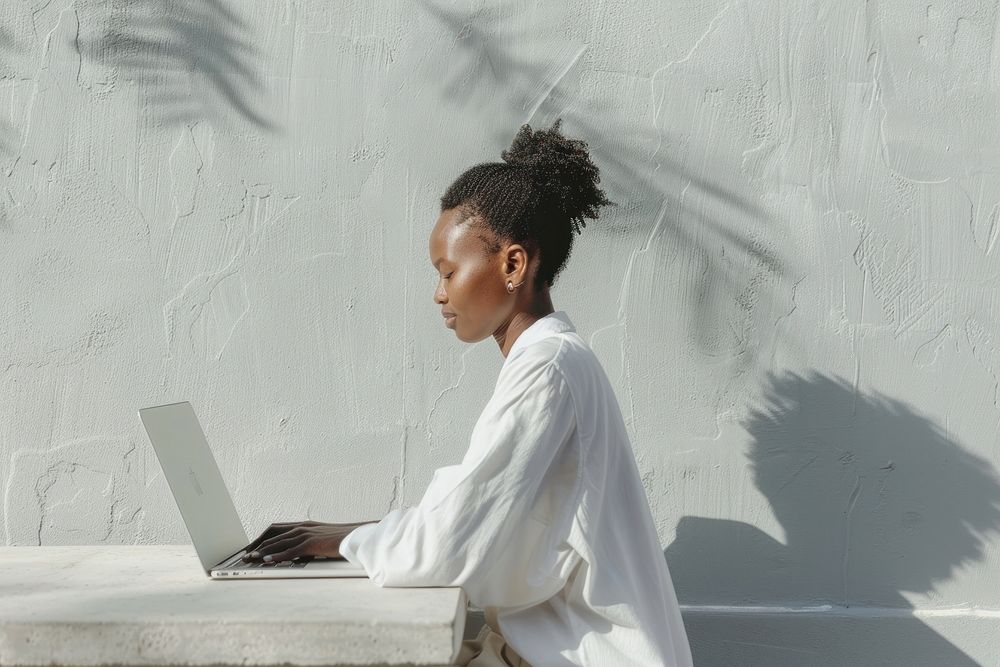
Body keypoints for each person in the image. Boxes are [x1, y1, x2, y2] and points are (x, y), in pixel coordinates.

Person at [240, 119, 693, 667]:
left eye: (448, 271)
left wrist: (344, 543)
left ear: (513, 264)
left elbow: (451, 546)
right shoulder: (552, 360)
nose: (438, 293)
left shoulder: (547, 370)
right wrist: (353, 531)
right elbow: (471, 515)